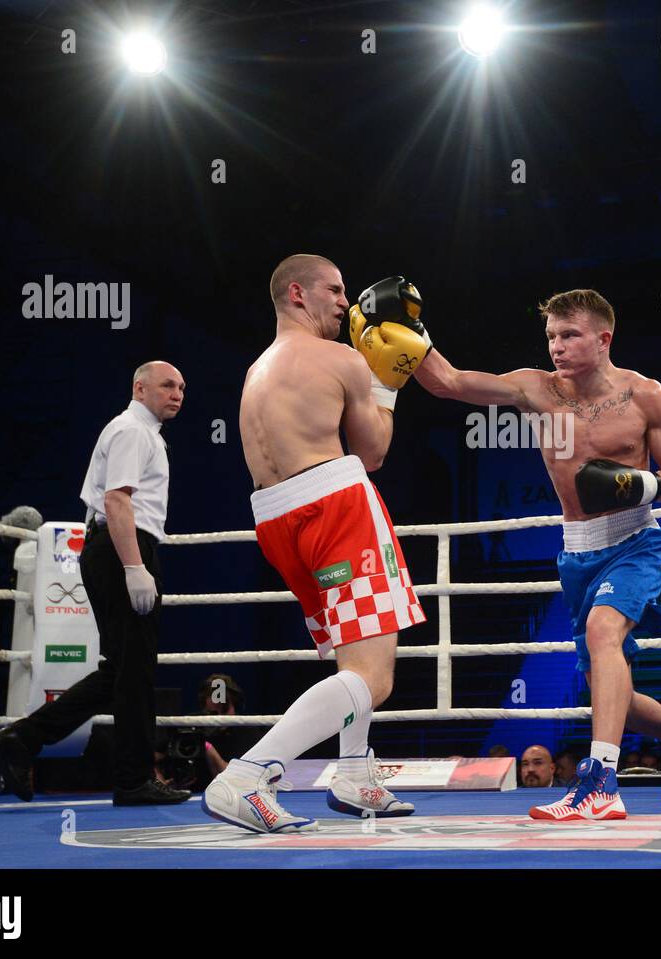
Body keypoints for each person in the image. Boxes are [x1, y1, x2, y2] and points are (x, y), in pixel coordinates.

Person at [414, 287, 661, 822]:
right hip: (577, 553)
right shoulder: (535, 390)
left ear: (604, 338)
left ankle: (600, 782)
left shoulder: (646, 396)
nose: (556, 346)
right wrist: (404, 330)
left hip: (636, 541)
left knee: (603, 635)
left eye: (569, 335)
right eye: (551, 335)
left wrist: (635, 484)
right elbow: (451, 382)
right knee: (607, 680)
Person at [202, 258, 428, 834]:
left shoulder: (257, 371)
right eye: (334, 290)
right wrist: (387, 382)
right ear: (297, 293)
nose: (344, 301)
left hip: (276, 521)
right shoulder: (342, 359)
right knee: (373, 676)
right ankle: (246, 775)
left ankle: (353, 776)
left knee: (351, 657)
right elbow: (373, 452)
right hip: (334, 506)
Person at [0, 361, 191, 806]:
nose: (176, 393)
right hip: (122, 546)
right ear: (139, 388)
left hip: (120, 547)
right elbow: (117, 500)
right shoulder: (130, 430)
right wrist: (134, 567)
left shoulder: (146, 434)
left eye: (181, 387)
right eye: (166, 385)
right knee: (134, 670)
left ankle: (24, 737)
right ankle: (134, 780)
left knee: (121, 668)